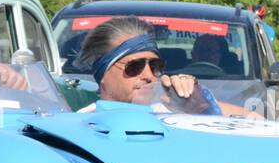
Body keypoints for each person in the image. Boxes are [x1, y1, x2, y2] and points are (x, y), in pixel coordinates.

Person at [81, 17, 258, 117]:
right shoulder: (81, 123)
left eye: (155, 66)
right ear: (102, 73)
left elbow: (256, 120)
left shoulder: (169, 110)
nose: (148, 75)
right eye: (134, 66)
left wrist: (199, 107)